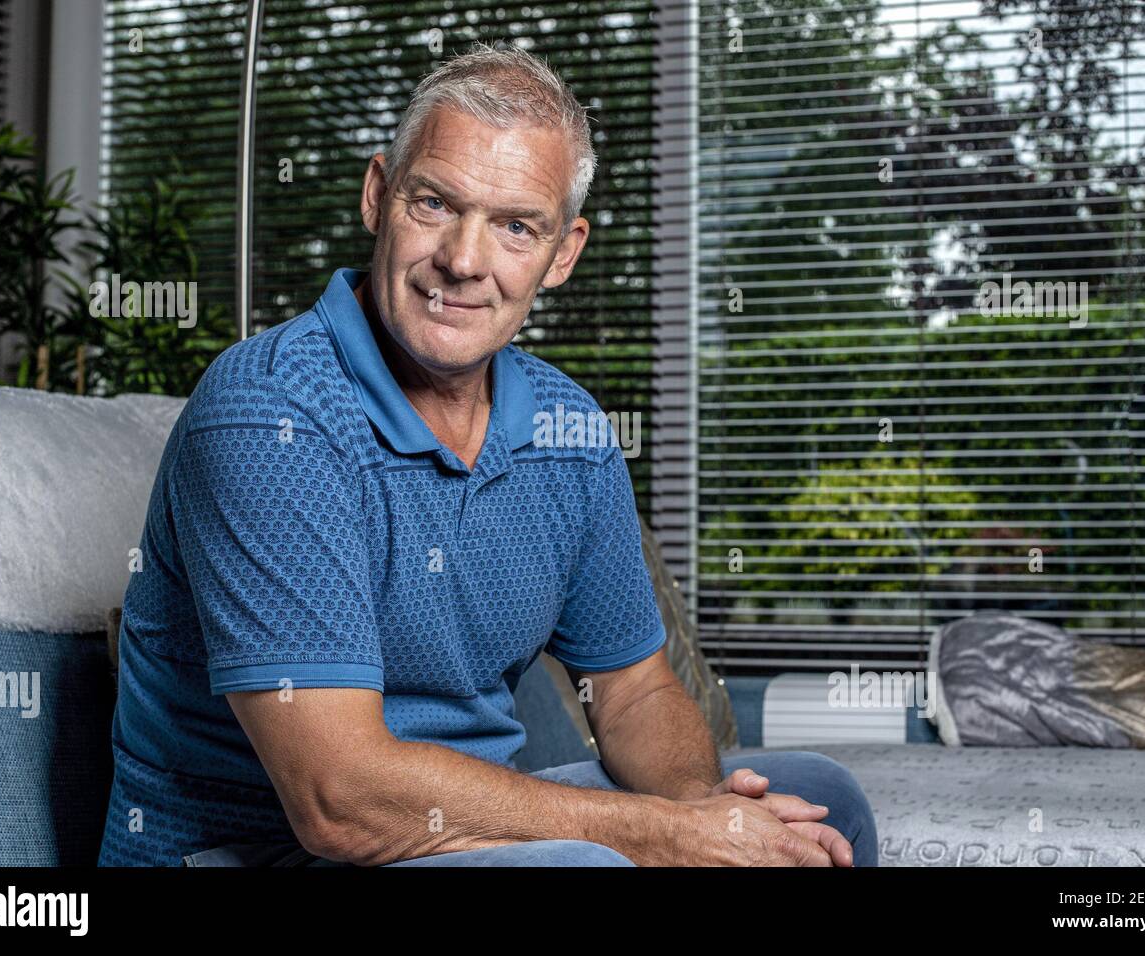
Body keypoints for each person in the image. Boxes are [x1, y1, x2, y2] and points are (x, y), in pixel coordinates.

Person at [98, 40, 878, 868]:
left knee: (824, 803)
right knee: (590, 863)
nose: (464, 263)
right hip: (257, 851)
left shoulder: (568, 428)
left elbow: (633, 689)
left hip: (467, 833)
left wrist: (696, 808)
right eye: (434, 203)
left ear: (563, 253)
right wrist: (662, 835)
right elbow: (339, 802)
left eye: (515, 225)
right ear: (378, 196)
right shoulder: (271, 413)